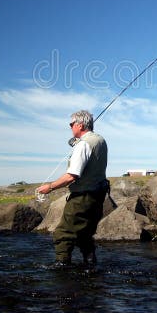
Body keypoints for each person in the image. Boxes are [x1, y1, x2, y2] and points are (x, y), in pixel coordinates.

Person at [36, 110, 109, 267]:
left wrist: (49, 187)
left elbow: (72, 176)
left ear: (80, 125)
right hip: (97, 196)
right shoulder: (100, 141)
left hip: (82, 197)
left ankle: (62, 269)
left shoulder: (83, 145)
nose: (70, 127)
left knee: (63, 234)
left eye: (71, 124)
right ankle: (90, 267)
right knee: (85, 234)